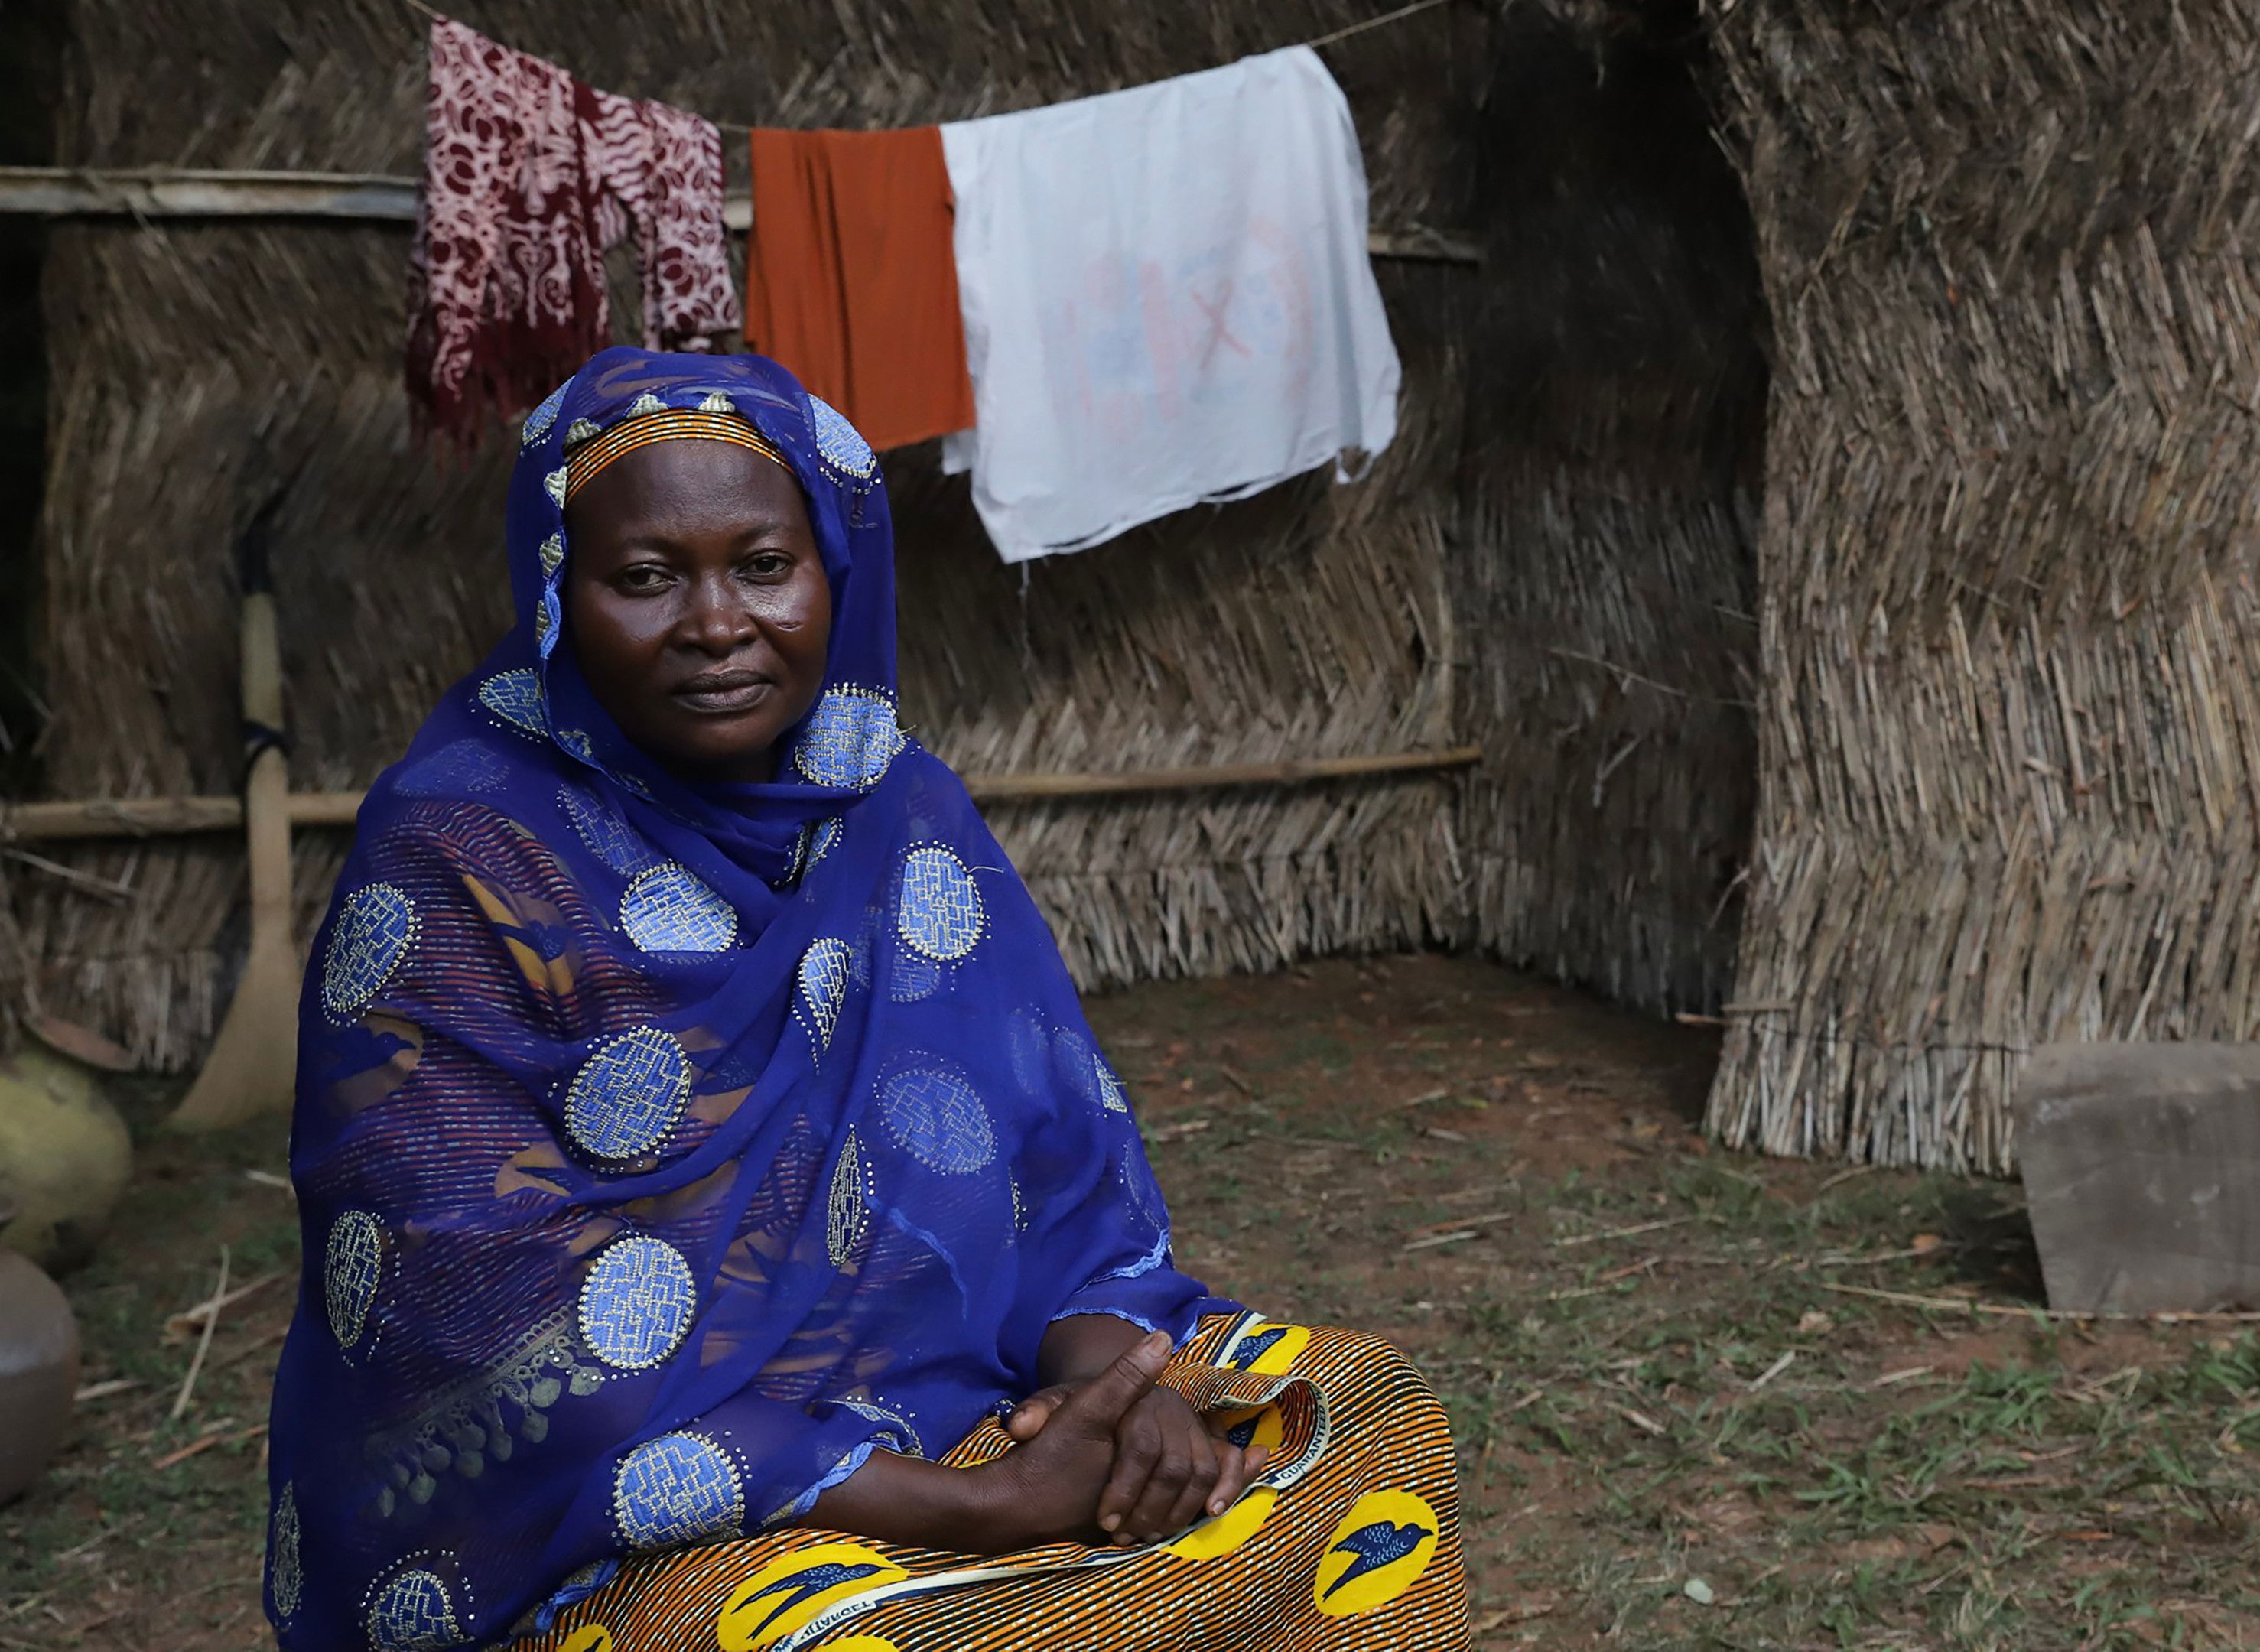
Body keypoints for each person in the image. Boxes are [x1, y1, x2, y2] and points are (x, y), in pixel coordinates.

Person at [262, 349, 1468, 1651]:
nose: (718, 622)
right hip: (644, 1497)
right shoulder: (462, 851)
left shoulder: (900, 814)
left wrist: (1117, 1398)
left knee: (1357, 1418)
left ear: (839, 571)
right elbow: (478, 1321)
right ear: (559, 590)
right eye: (646, 578)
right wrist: (974, 1507)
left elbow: (1054, 1183)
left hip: (972, 1400)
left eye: (765, 567)